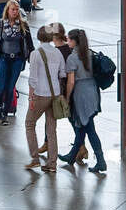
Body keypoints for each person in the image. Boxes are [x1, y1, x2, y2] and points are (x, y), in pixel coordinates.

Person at [60, 29, 107, 173]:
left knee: (89, 128)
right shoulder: (89, 53)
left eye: (68, 39)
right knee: (81, 126)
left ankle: (101, 161)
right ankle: (72, 156)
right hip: (93, 91)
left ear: (74, 41)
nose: (67, 41)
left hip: (81, 94)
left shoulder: (72, 58)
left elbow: (71, 82)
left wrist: (67, 98)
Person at [25, 25, 65, 171]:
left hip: (41, 93)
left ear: (39, 37)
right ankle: (52, 164)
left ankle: (35, 157)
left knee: (30, 123)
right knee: (51, 129)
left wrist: (30, 97)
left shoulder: (36, 54)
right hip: (54, 94)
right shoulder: (58, 53)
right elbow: (62, 74)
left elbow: (33, 79)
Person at [0, 0, 32, 124]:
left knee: (10, 87)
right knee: (1, 86)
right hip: (3, 58)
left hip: (17, 59)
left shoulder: (23, 25)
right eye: (12, 9)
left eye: (16, 9)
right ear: (7, 10)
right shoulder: (1, 24)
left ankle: (5, 114)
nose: (15, 12)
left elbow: (29, 43)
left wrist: (32, 57)